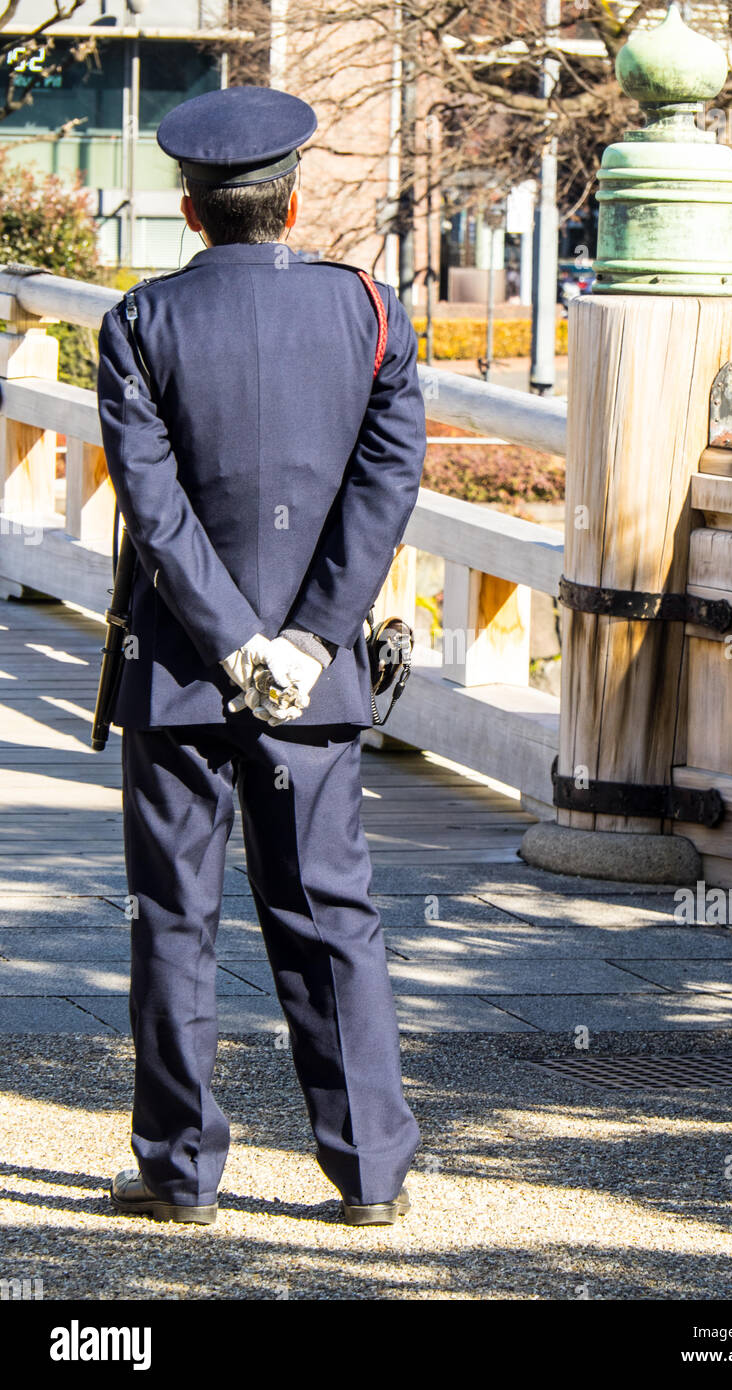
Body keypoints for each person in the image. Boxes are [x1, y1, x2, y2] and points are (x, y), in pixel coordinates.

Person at [96, 85, 426, 1227]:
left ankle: (180, 1173)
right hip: (316, 682)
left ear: (190, 211)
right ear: (292, 202)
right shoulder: (369, 314)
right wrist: (303, 639)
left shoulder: (139, 324)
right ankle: (369, 1172)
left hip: (182, 673)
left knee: (175, 919)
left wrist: (233, 643)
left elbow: (153, 507)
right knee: (330, 916)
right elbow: (383, 492)